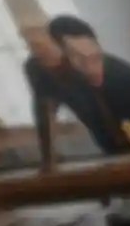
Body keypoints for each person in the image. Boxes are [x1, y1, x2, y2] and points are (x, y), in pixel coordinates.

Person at [42, 14, 130, 157]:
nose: (93, 69)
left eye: (96, 58)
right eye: (80, 59)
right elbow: (47, 110)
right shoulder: (58, 77)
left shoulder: (123, 78)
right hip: (113, 156)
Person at [20, 23, 104, 171]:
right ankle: (49, 161)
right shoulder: (32, 66)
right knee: (42, 113)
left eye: (39, 43)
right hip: (54, 94)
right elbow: (44, 106)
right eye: (30, 44)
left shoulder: (73, 57)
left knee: (97, 118)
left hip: (87, 93)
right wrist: (49, 157)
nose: (36, 49)